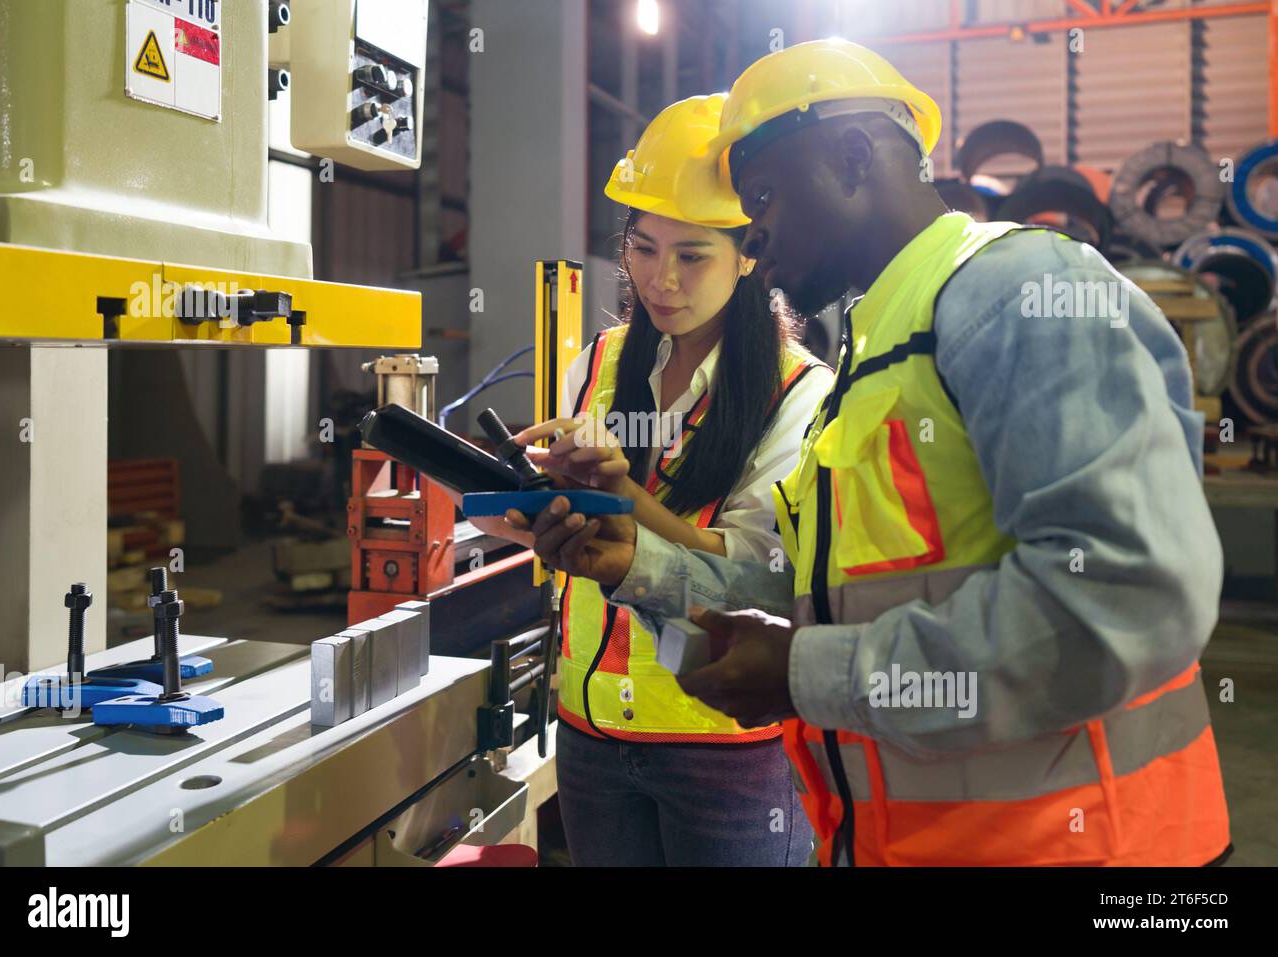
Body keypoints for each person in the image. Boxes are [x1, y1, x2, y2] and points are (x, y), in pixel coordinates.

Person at [507, 39, 1232, 867]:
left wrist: (809, 673)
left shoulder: (1019, 293)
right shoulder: (875, 354)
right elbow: (816, 595)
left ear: (854, 156)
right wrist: (635, 561)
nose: (756, 233)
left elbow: (1126, 597)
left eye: (763, 197)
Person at [467, 94, 833, 866]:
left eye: (692, 255)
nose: (660, 279)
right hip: (592, 733)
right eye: (642, 247)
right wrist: (525, 513)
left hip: (725, 746)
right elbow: (573, 535)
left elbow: (754, 571)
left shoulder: (798, 392)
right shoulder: (597, 363)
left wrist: (626, 502)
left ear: (749, 253)